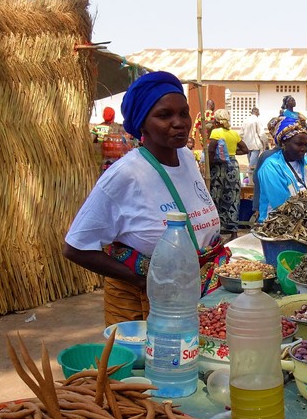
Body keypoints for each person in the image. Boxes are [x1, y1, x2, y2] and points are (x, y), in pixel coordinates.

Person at [63, 71, 227, 325]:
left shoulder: (186, 158)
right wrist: (144, 280)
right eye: (164, 115)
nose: (179, 122)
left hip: (195, 297)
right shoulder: (125, 175)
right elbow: (76, 247)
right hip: (143, 308)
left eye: (183, 113)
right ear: (142, 123)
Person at [256, 117, 307, 221]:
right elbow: (282, 205)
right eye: (298, 144)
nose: (303, 149)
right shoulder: (271, 167)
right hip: (276, 223)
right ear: (284, 143)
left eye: (305, 144)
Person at [207, 109, 248, 239]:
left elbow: (211, 150)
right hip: (233, 166)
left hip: (219, 168)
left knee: (216, 197)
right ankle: (233, 232)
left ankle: (216, 230)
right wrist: (232, 154)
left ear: (216, 121)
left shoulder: (216, 132)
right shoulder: (233, 134)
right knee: (233, 197)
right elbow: (245, 149)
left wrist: (209, 166)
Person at [239, 106, 266, 171]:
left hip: (247, 145)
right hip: (255, 145)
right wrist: (265, 142)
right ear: (257, 113)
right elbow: (261, 134)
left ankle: (251, 178)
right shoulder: (257, 120)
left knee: (251, 163)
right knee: (252, 166)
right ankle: (251, 178)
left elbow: (241, 133)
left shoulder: (245, 120)